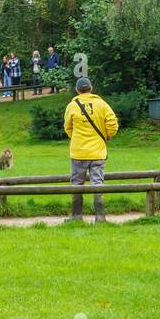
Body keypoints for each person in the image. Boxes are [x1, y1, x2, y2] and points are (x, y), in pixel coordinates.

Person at [64, 77, 119, 222]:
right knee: (98, 183)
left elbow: (67, 127)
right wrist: (106, 136)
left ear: (77, 90)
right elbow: (113, 124)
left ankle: (76, 216)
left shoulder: (72, 106)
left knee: (76, 184)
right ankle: (100, 216)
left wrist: (75, 138)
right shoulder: (102, 104)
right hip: (98, 152)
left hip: (78, 152)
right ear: (91, 88)